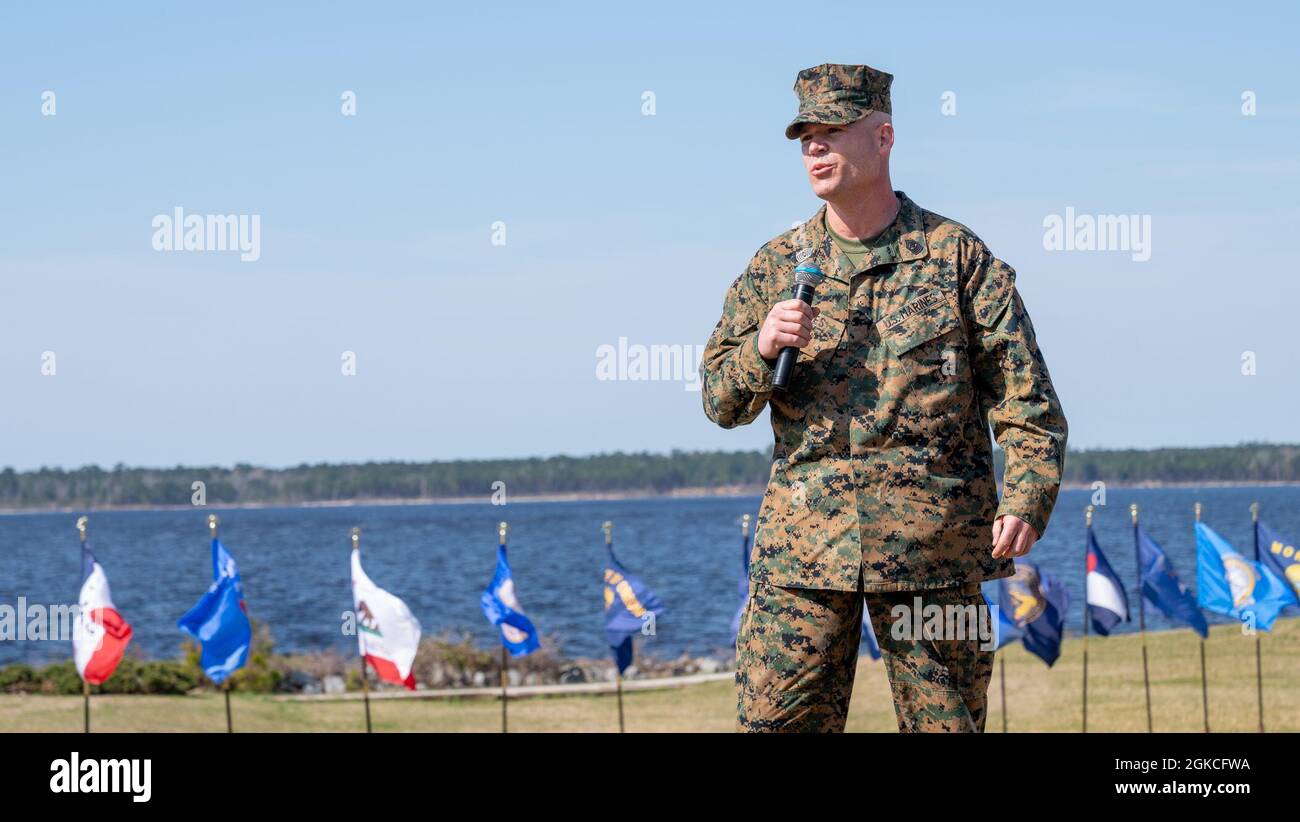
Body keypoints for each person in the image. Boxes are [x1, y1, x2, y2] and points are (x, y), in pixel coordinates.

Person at [701, 63, 1068, 733]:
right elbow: (718, 400)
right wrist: (759, 348)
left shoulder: (957, 258)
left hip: (933, 553)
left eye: (832, 131)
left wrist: (1027, 498)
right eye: (805, 135)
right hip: (804, 555)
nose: (814, 147)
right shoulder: (778, 266)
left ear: (883, 137)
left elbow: (1027, 398)